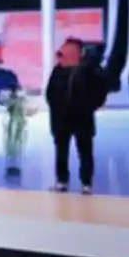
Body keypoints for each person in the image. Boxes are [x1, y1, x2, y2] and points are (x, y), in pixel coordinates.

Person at [45, 38, 107, 194]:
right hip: (63, 120)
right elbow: (50, 94)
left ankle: (85, 183)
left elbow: (99, 92)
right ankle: (62, 181)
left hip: (80, 119)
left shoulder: (88, 70)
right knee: (63, 151)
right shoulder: (58, 70)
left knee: (84, 151)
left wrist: (89, 107)